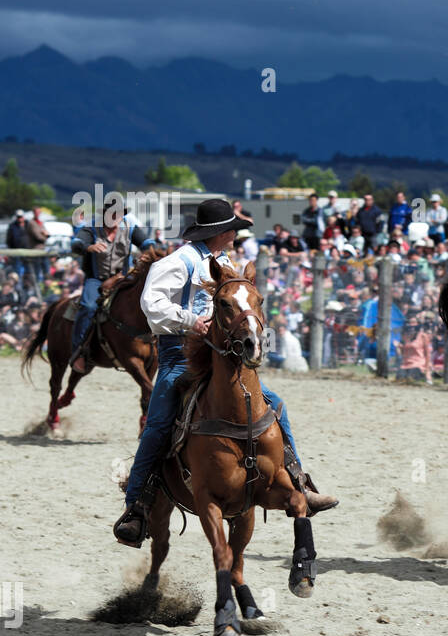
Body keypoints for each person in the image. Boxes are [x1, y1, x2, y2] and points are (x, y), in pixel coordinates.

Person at [113, 199, 338, 546]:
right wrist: (190, 321)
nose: (236, 235)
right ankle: (137, 506)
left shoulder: (223, 264)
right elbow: (151, 303)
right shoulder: (179, 262)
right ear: (221, 232)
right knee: (159, 422)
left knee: (275, 404)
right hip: (178, 355)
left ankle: (298, 484)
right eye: (233, 229)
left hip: (219, 354)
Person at [69, 201, 154, 373]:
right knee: (88, 306)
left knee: (146, 301)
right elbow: (76, 244)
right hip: (97, 279)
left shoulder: (130, 228)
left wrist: (148, 252)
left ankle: (156, 344)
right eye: (111, 213)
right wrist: (88, 247)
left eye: (118, 214)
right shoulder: (91, 228)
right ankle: (78, 351)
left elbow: (148, 243)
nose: (115, 217)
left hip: (123, 278)